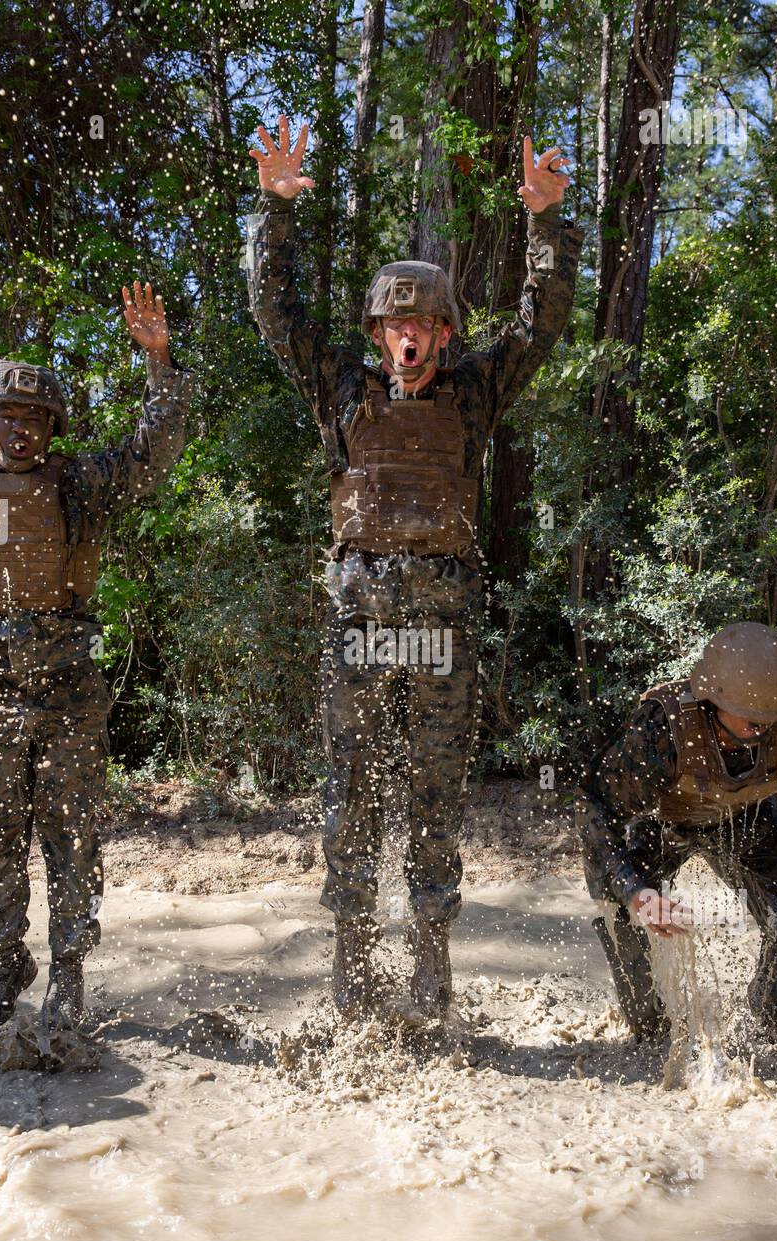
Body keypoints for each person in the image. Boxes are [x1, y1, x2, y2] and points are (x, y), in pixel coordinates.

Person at [248, 114, 583, 1017]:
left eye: (424, 324)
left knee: (435, 799)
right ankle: (354, 974)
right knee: (350, 796)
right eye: (394, 322)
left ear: (444, 335)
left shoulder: (475, 392)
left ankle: (430, 972)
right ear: (376, 331)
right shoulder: (342, 392)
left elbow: (542, 321)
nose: (407, 337)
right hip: (359, 630)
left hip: (444, 634)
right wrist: (276, 211)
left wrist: (547, 226)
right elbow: (273, 312)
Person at [0, 281, 193, 1033]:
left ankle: (68, 972)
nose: (19, 429)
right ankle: (4, 965)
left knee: (72, 833)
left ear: (51, 427)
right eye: (6, 415)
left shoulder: (83, 485)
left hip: (69, 690)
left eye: (33, 417)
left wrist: (159, 363)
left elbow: (153, 452)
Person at [575, 622, 777, 1046]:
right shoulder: (661, 730)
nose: (762, 729)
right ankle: (651, 1032)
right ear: (714, 702)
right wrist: (635, 892)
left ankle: (773, 1026)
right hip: (660, 824)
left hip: (748, 822)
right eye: (751, 719)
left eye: (770, 719)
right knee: (624, 912)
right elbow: (591, 806)